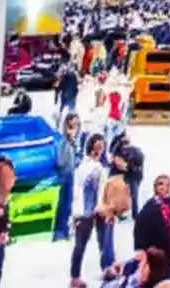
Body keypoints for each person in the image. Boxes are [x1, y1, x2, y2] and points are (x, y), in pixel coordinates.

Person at [70, 135, 118, 286]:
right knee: (81, 244)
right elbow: (91, 191)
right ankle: (75, 277)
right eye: (96, 147)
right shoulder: (90, 167)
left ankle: (107, 268)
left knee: (104, 238)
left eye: (101, 147)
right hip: (87, 211)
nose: (99, 150)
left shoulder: (97, 166)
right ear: (90, 147)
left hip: (94, 209)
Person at [133, 175, 170, 270]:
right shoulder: (151, 205)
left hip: (169, 253)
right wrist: (143, 249)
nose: (164, 187)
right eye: (161, 184)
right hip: (155, 254)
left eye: (168, 185)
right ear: (155, 187)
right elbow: (139, 226)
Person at [54, 113, 83, 242]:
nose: (74, 130)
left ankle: (65, 229)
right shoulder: (63, 142)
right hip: (64, 175)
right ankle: (60, 231)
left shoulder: (75, 142)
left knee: (69, 203)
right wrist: (69, 145)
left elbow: (77, 159)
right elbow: (60, 161)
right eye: (72, 126)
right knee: (63, 203)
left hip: (71, 174)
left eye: (77, 126)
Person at [111, 134, 145, 208]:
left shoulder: (134, 150)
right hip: (129, 175)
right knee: (132, 197)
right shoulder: (118, 151)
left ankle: (133, 214)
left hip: (132, 175)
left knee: (133, 197)